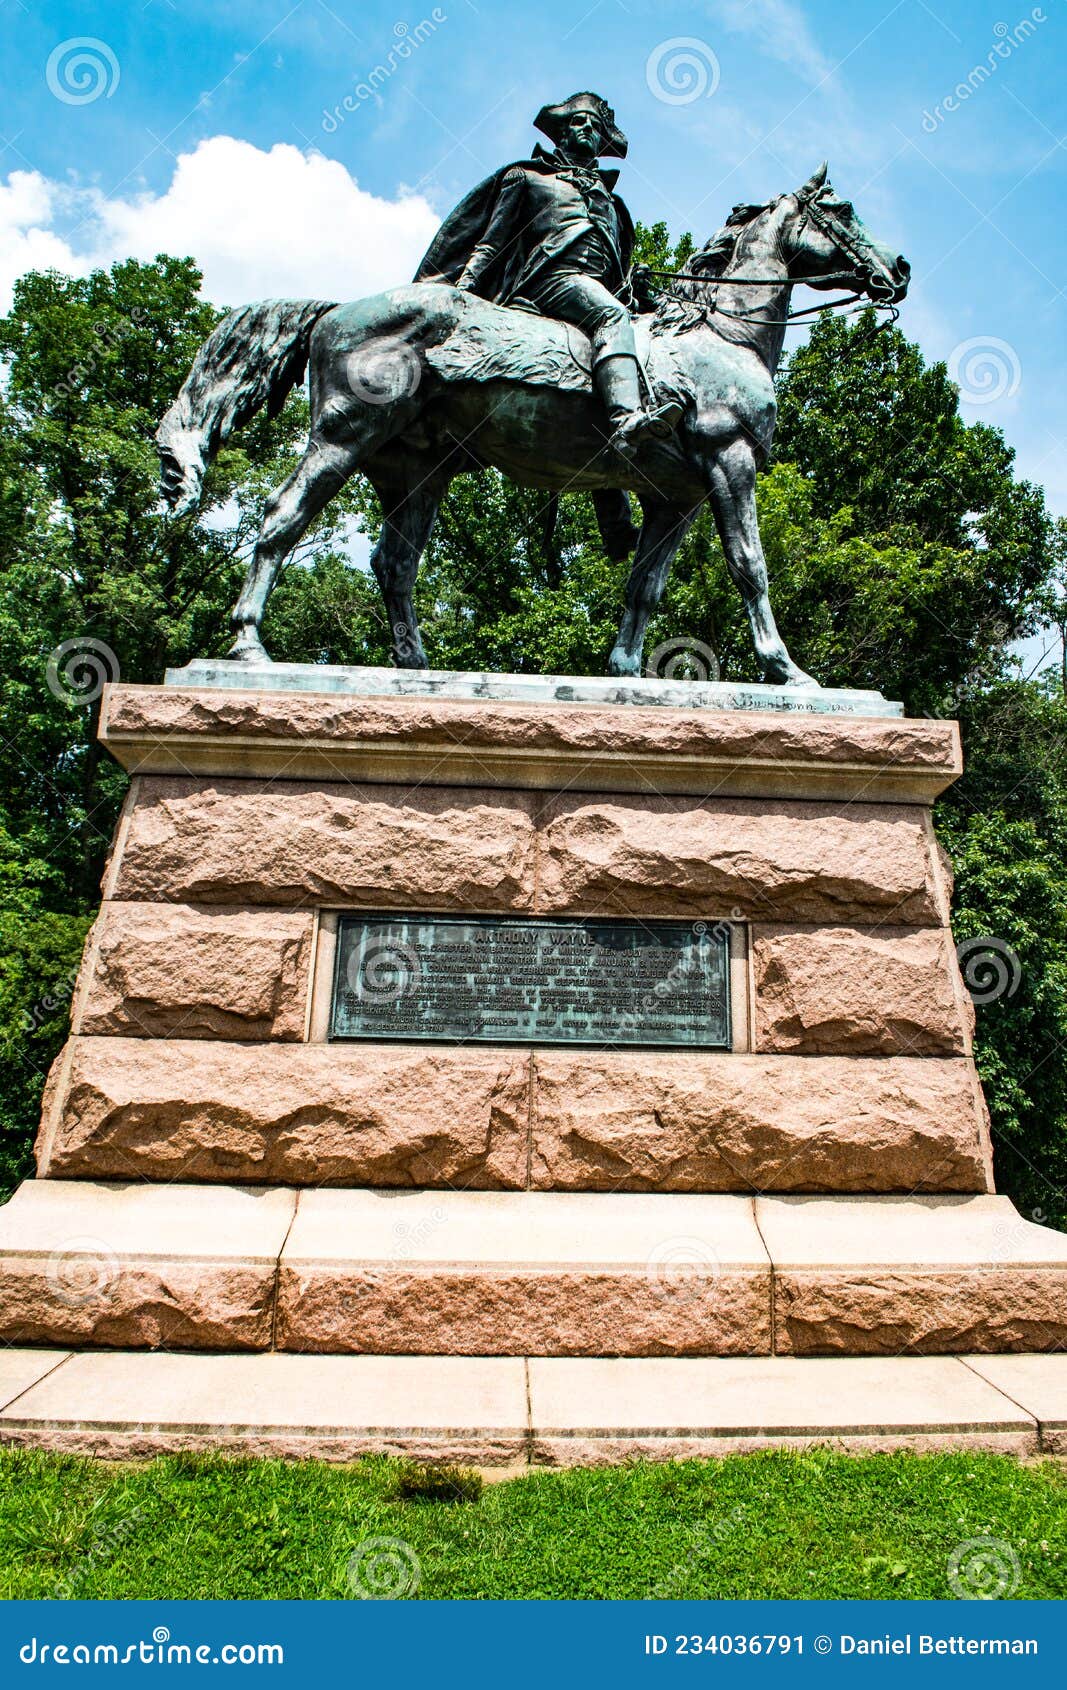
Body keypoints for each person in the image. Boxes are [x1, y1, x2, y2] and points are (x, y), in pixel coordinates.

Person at [414, 91, 680, 455]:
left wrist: (638, 285)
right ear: (562, 132)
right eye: (578, 121)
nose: (587, 127)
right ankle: (625, 418)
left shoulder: (614, 205)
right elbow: (492, 243)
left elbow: (617, 274)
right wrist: (461, 293)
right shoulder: (527, 177)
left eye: (595, 126)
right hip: (548, 282)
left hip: (591, 291)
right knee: (612, 315)